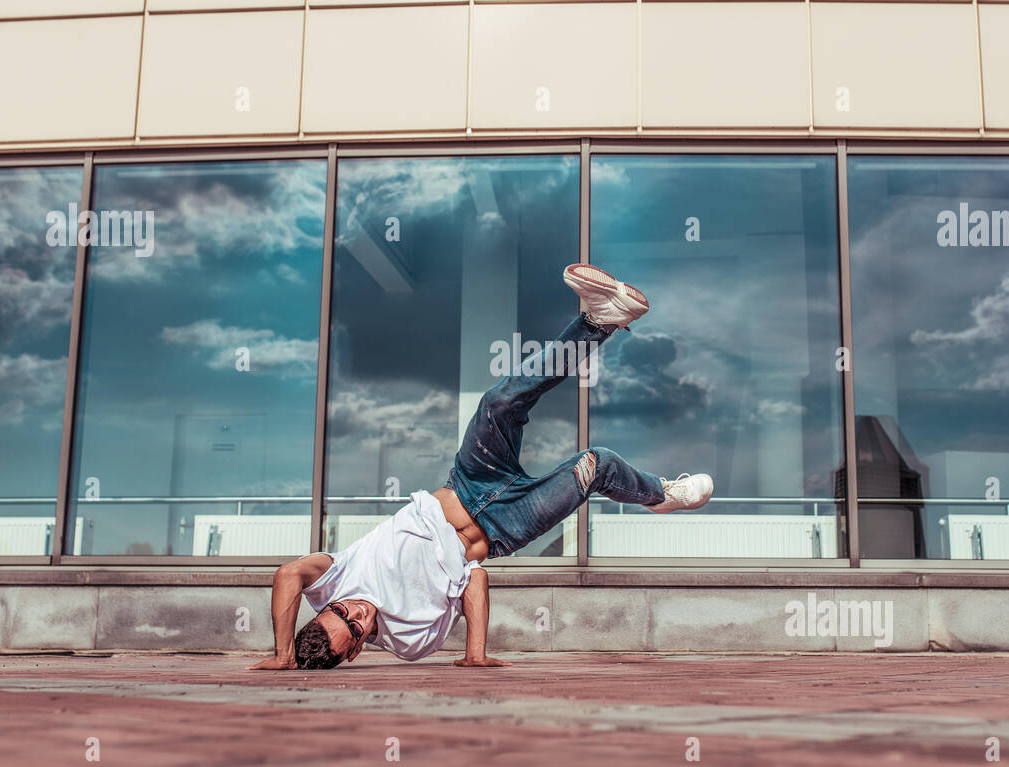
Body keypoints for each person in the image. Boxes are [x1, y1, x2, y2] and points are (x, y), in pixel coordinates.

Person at [249, 264, 713, 671]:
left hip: (469, 484)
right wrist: (475, 653)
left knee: (499, 401)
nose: (358, 613)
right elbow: (474, 580)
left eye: (343, 611)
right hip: (507, 525)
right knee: (597, 465)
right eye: (354, 628)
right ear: (353, 651)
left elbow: (288, 574)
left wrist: (282, 653)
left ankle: (598, 321)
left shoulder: (335, 578)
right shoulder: (410, 642)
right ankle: (662, 496)